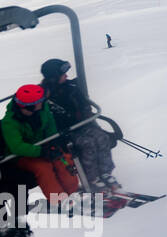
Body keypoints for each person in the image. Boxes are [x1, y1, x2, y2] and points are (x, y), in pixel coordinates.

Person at [39, 59, 119, 192]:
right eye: (63, 74)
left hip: (81, 125)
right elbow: (46, 119)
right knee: (88, 143)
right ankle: (92, 178)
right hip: (64, 133)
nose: (67, 76)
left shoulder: (71, 87)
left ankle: (106, 173)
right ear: (54, 77)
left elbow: (83, 105)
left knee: (102, 138)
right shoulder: (44, 95)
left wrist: (86, 114)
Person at [1, 85, 80, 204]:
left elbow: (50, 126)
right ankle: (58, 200)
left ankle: (72, 192)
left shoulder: (42, 109)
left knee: (63, 160)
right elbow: (17, 147)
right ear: (30, 106)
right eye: (39, 101)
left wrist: (52, 143)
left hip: (44, 146)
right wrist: (41, 152)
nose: (42, 103)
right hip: (22, 155)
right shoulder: (10, 122)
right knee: (43, 168)